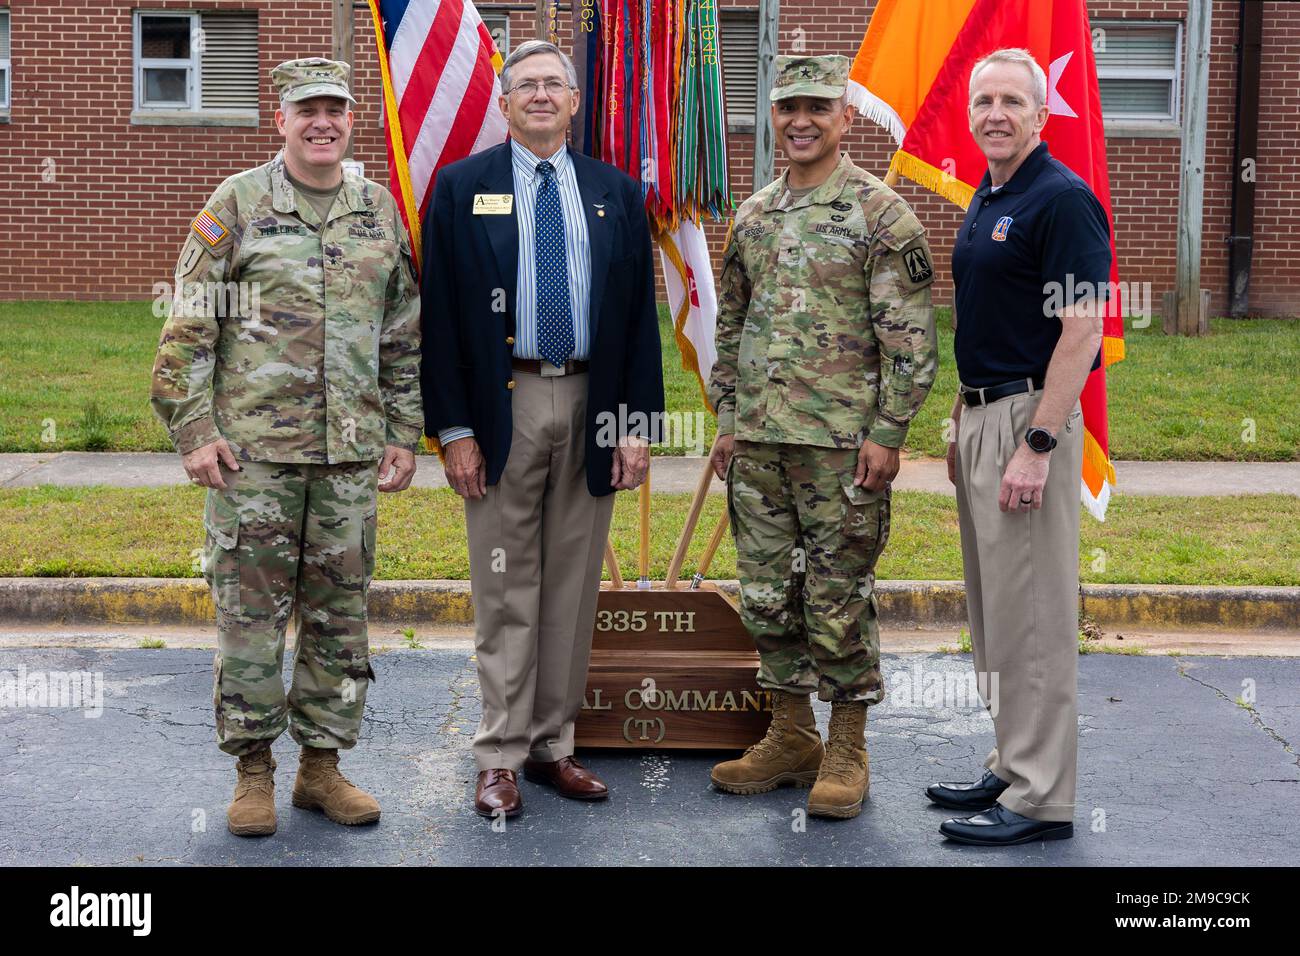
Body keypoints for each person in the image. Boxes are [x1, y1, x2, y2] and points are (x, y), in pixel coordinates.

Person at [150, 57, 422, 837]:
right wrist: (194, 432)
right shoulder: (237, 204)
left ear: (349, 117)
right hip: (253, 462)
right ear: (282, 119)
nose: (322, 122)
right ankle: (253, 771)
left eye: (334, 108)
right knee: (251, 622)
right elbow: (188, 330)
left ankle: (323, 769)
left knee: (341, 621)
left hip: (347, 462)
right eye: (307, 110)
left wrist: (403, 432)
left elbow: (403, 336)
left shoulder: (376, 211)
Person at [420, 40, 664, 820]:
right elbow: (442, 323)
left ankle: (555, 745)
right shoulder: (462, 190)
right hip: (505, 403)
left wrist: (634, 423)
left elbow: (637, 319)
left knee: (571, 587)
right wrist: (454, 429)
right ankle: (498, 754)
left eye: (553, 84)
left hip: (592, 400)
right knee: (505, 586)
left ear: (574, 101)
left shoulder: (616, 193)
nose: (540, 95)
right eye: (524, 85)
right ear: (503, 102)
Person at [707, 54, 938, 820]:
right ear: (772, 117)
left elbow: (908, 340)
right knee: (770, 597)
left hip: (842, 448)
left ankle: (846, 746)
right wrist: (729, 418)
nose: (800, 120)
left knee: (837, 599)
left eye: (816, 106)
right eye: (786, 107)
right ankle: (790, 732)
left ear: (845, 118)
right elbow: (731, 323)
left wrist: (888, 431)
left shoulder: (880, 214)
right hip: (761, 446)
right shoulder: (754, 213)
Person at [929, 48, 1109, 846]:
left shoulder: (1063, 199)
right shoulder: (992, 190)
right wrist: (962, 421)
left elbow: (1083, 329)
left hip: (1027, 420)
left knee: (1034, 618)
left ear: (1042, 114)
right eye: (984, 101)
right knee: (998, 613)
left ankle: (1041, 800)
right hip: (982, 418)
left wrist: (1035, 441)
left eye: (1012, 101)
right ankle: (1013, 761)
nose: (995, 113)